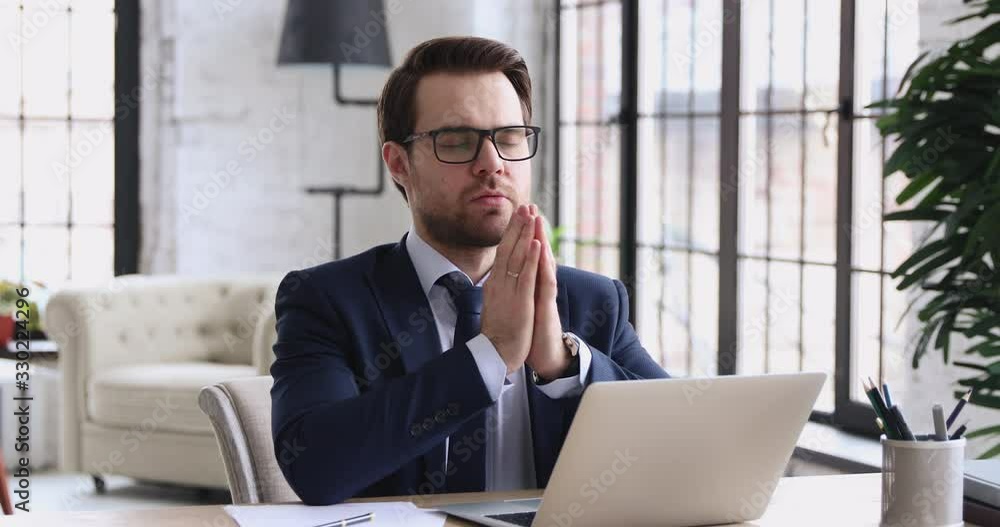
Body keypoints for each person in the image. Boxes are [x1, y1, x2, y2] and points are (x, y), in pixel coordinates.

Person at [270, 36, 669, 506]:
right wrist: (490, 353)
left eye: (509, 137)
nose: (492, 164)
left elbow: (684, 442)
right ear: (399, 164)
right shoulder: (327, 299)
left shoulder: (593, 301)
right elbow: (317, 467)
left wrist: (563, 366)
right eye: (457, 141)